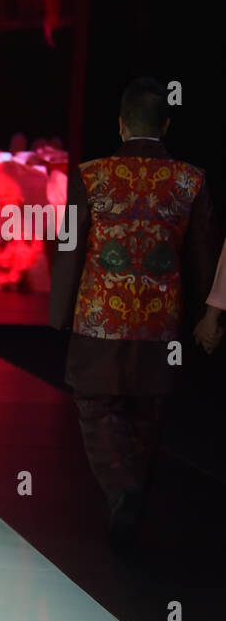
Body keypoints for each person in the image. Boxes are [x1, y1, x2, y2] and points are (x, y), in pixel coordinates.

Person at [49, 76, 219, 545]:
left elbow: (70, 246)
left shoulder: (92, 174)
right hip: (159, 325)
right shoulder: (191, 179)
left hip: (98, 318)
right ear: (165, 123)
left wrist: (58, 312)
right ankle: (132, 495)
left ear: (121, 125)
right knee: (148, 413)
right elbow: (205, 253)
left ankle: (121, 489)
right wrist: (211, 315)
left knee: (95, 407)